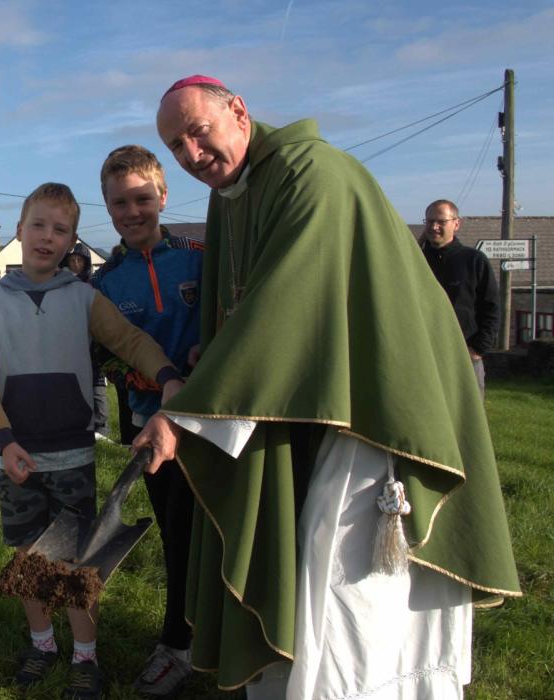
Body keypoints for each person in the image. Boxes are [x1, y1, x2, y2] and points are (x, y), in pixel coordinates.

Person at [136, 75, 519, 699]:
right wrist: (215, 354)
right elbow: (240, 306)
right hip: (302, 396)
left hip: (369, 402)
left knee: (345, 563)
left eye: (196, 133)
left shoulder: (312, 174)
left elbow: (289, 300)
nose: (190, 155)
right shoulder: (230, 196)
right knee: (303, 556)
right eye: (175, 146)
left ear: (238, 110)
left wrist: (187, 412)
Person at [0, 183, 184, 700]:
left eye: (60, 230)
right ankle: (42, 644)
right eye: (38, 225)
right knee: (28, 560)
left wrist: (169, 374)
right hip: (16, 457)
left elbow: (130, 342)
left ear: (71, 243)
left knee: (77, 562)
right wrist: (4, 440)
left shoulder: (85, 298)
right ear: (19, 231)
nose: (47, 237)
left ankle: (85, 657)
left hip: (72, 456)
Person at [91, 144, 203, 699]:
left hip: (214, 422)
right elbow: (102, 354)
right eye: (120, 204)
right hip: (151, 432)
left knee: (228, 535)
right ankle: (177, 648)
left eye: (142, 198)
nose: (132, 212)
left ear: (162, 195)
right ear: (108, 209)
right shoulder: (107, 283)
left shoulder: (200, 257)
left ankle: (232, 639)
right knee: (178, 536)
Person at [421, 199, 499, 399]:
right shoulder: (416, 260)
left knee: (468, 420)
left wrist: (478, 349)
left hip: (466, 356)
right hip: (424, 355)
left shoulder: (474, 260)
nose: (434, 227)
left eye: (441, 221)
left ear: (456, 224)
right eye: (429, 221)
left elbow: (491, 307)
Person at [60, 241, 109, 438]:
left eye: (80, 260)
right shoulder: (61, 283)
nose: (76, 264)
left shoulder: (94, 283)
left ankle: (102, 428)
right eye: (73, 260)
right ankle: (80, 426)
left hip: (94, 340)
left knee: (98, 385)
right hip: (71, 340)